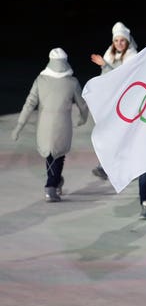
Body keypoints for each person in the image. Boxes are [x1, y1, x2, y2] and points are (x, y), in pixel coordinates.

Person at [12, 48, 89, 202]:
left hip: (44, 125)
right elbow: (82, 104)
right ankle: (51, 186)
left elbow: (29, 104)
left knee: (50, 155)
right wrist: (84, 117)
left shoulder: (40, 80)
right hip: (62, 125)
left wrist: (19, 126)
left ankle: (55, 182)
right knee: (58, 155)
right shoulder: (72, 82)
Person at [90, 21, 138, 180]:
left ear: (127, 41)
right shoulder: (109, 54)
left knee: (123, 135)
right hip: (110, 101)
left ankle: (129, 167)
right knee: (108, 133)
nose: (119, 43)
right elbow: (106, 79)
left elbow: (123, 78)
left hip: (125, 102)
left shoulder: (132, 56)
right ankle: (105, 165)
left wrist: (105, 65)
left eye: (122, 40)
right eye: (116, 40)